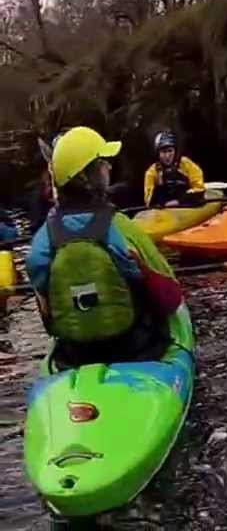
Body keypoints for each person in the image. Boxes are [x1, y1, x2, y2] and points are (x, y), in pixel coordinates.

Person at [25, 126, 184, 368]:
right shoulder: (121, 228)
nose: (109, 167)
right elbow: (170, 297)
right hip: (135, 349)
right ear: (86, 177)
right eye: (101, 163)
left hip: (75, 355)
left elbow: (47, 314)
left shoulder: (42, 241)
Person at [143, 131, 206, 208]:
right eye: (163, 152)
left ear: (175, 151)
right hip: (164, 210)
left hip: (187, 204)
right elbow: (149, 201)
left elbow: (199, 190)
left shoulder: (186, 164)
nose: (167, 156)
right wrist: (160, 183)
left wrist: (178, 201)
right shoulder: (151, 172)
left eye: (170, 151)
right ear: (158, 153)